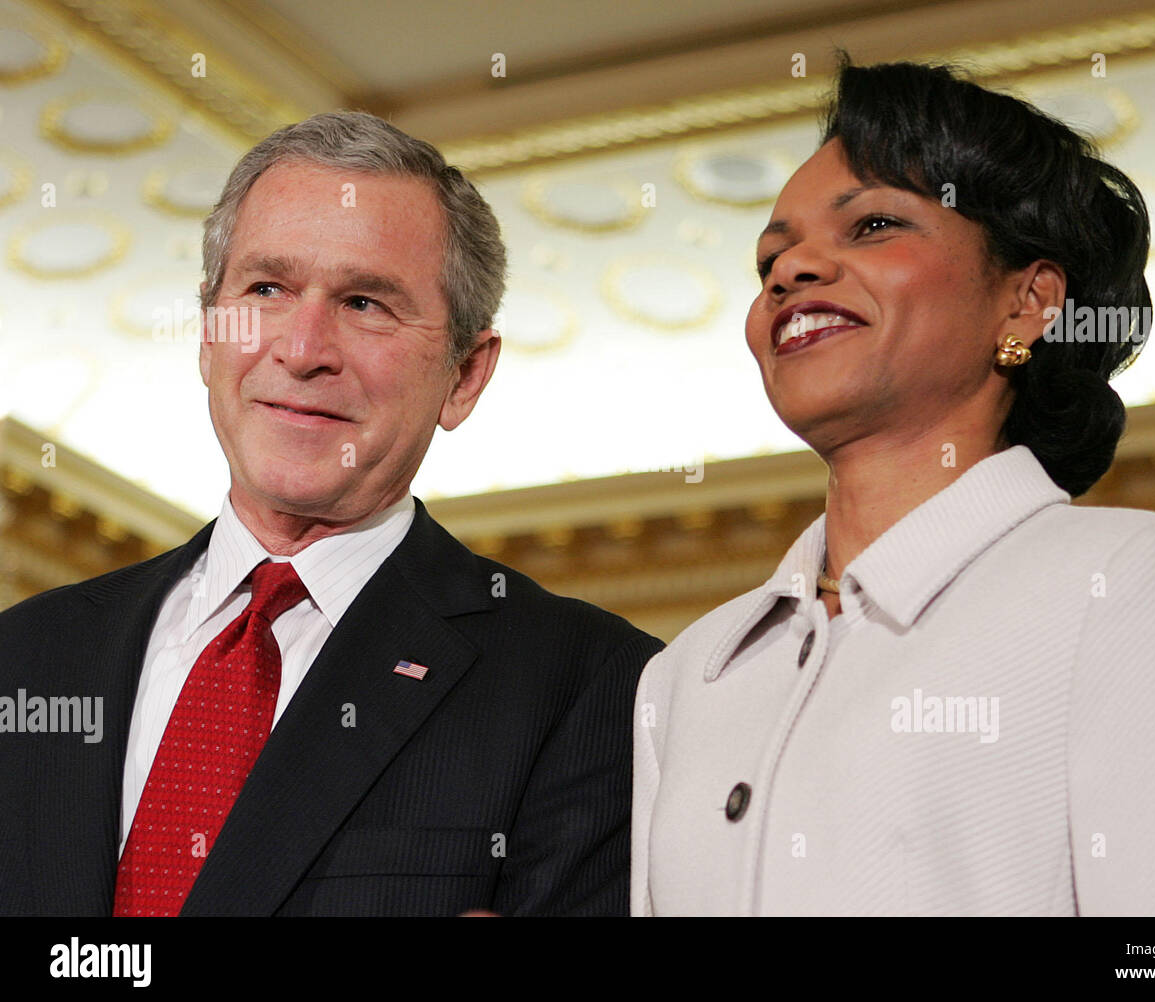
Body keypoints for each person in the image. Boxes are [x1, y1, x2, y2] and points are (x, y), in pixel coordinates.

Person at [631, 60, 1155, 916]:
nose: (791, 270)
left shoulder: (1129, 581)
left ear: (1029, 304)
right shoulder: (689, 672)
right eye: (773, 255)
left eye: (871, 225)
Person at [0, 111, 662, 916]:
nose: (303, 347)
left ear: (465, 374)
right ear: (210, 333)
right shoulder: (27, 656)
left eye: (365, 302)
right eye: (267, 289)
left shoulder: (591, 689)